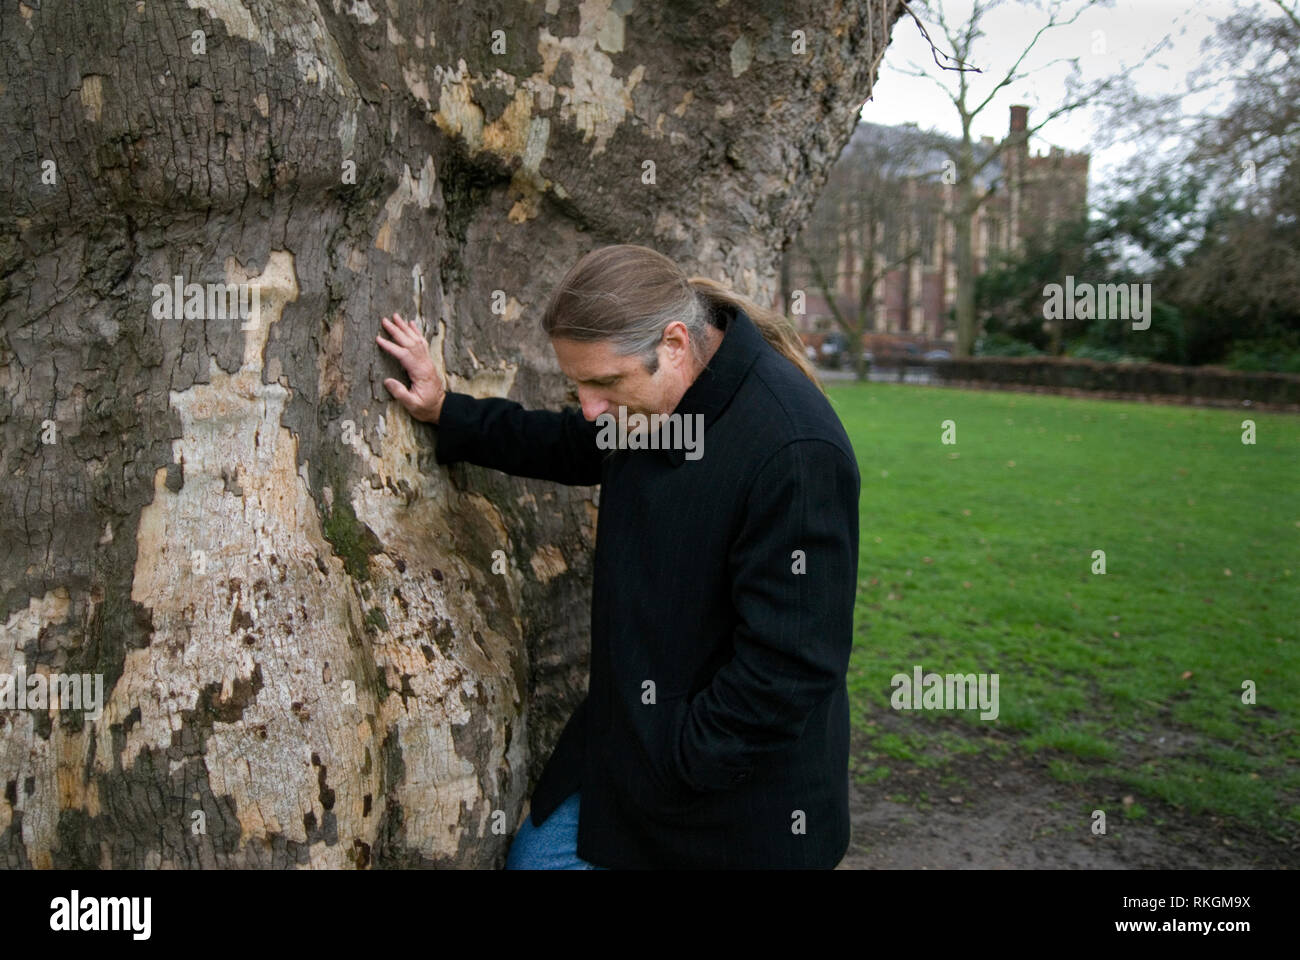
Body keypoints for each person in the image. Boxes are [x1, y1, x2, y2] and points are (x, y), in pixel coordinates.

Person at [376, 244, 860, 869]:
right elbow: (575, 441)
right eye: (578, 383)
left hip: (738, 805)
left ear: (676, 343)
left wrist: (674, 762)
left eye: (605, 382)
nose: (591, 405)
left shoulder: (793, 450)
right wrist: (449, 410)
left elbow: (790, 668)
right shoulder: (659, 403)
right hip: (637, 742)